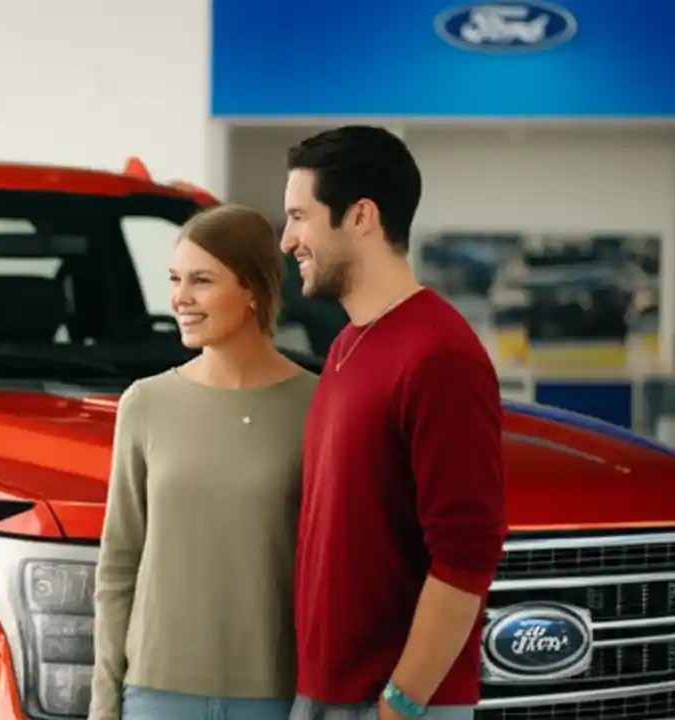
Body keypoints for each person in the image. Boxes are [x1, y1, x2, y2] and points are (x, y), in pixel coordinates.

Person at [280, 126, 506, 720]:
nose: (287, 241)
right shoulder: (345, 347)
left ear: (360, 217)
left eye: (300, 217)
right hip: (329, 692)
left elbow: (467, 555)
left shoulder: (440, 354)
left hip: (396, 702)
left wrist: (399, 704)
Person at [89, 204, 318, 720]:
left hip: (277, 697)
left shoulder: (319, 406)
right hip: (156, 694)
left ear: (254, 290)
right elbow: (118, 566)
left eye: (201, 281)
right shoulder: (146, 404)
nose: (180, 299)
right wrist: (105, 705)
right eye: (175, 279)